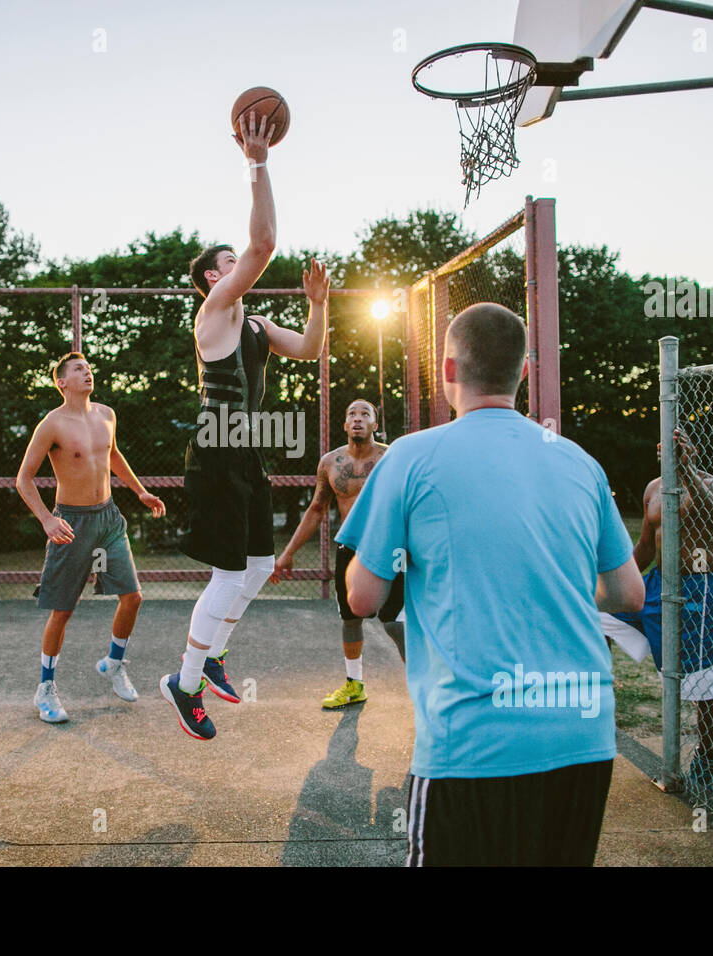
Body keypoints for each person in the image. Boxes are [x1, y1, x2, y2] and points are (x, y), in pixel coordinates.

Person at [337, 302, 645, 866]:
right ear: (522, 372)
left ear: (449, 371)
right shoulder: (579, 461)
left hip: (473, 743)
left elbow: (363, 597)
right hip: (584, 734)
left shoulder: (410, 455)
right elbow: (628, 595)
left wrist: (372, 552)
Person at [159, 110, 329, 741]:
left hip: (247, 448)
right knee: (230, 572)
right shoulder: (215, 312)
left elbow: (310, 348)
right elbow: (263, 247)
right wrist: (257, 162)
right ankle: (185, 682)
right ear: (213, 277)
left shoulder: (253, 325)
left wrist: (320, 305)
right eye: (228, 262)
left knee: (258, 566)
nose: (241, 265)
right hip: (217, 446)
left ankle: (215, 657)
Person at [16, 351, 165, 723]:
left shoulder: (106, 415)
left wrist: (140, 492)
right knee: (63, 610)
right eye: (78, 370)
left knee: (132, 597)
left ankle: (114, 663)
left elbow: (113, 455)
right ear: (61, 382)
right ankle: (45, 689)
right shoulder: (51, 424)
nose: (87, 373)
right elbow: (23, 479)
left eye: (89, 369)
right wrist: (47, 519)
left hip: (109, 518)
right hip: (71, 523)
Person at [601, 427, 713, 801]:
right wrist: (613, 584)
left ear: (693, 449)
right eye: (663, 445)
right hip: (660, 585)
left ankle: (708, 766)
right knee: (597, 616)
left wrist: (688, 471)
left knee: (702, 684)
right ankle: (598, 702)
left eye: (677, 446)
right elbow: (645, 544)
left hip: (702, 589)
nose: (667, 452)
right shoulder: (654, 488)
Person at [270, 398, 405, 709]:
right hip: (350, 546)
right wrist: (288, 553)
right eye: (351, 414)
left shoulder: (391, 459)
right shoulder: (330, 463)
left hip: (388, 547)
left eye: (365, 414)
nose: (357, 418)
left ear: (375, 424)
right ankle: (354, 684)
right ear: (345, 425)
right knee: (350, 618)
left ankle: (423, 690)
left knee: (394, 623)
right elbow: (317, 509)